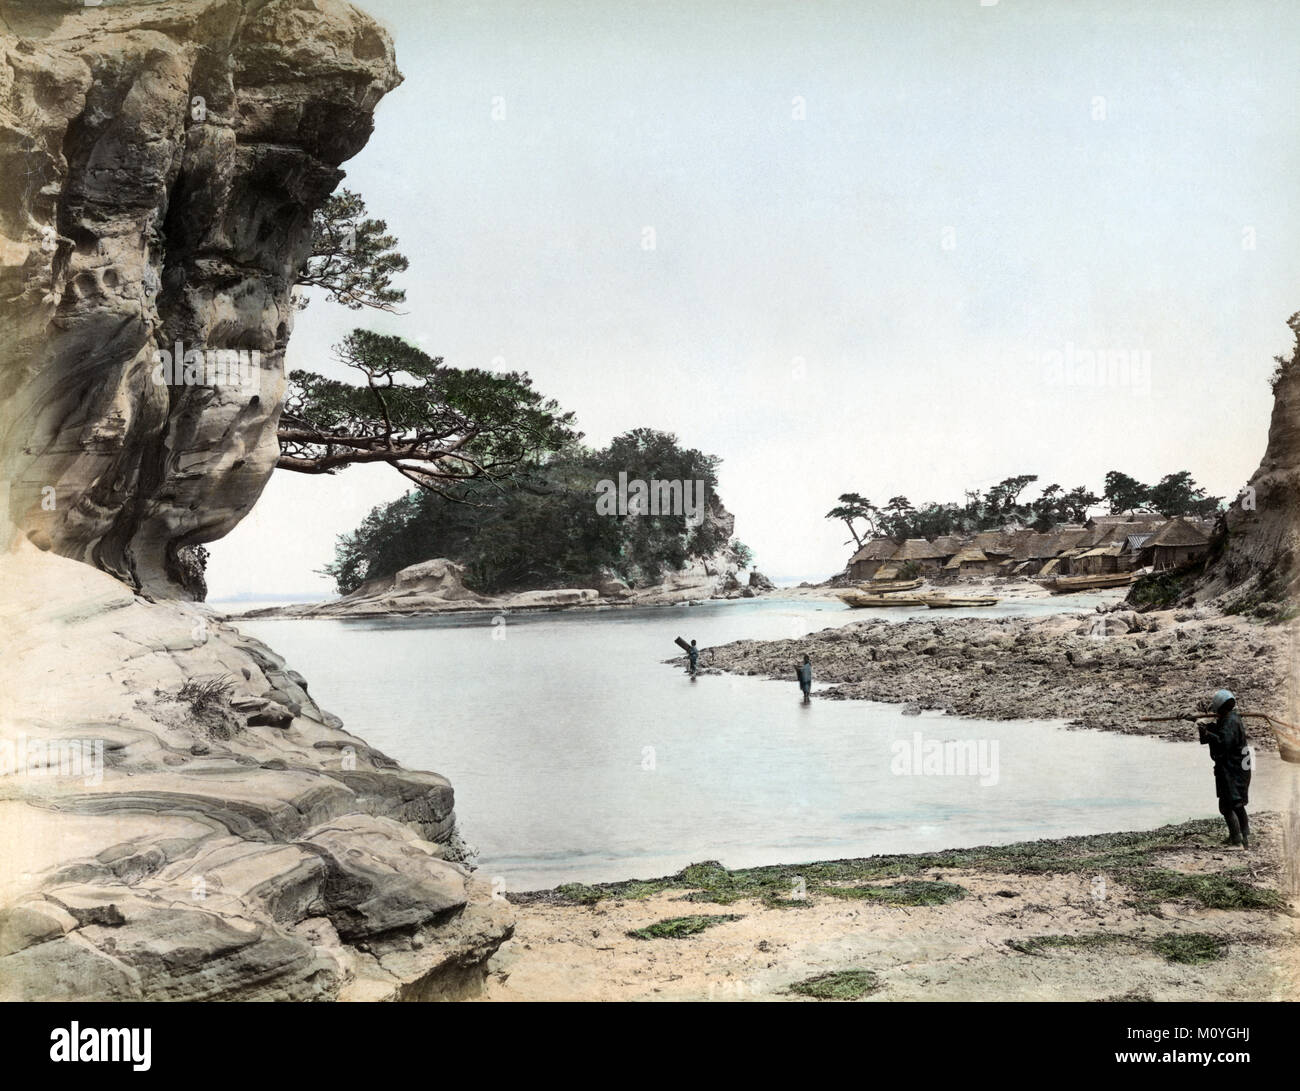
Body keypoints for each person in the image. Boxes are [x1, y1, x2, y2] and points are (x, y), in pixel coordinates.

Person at [1190, 689, 1251, 848]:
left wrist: (1205, 731)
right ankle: (1241, 837)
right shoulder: (1231, 718)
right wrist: (1200, 724)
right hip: (1237, 768)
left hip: (1232, 770)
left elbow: (1223, 743)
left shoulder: (1230, 721)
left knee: (1230, 805)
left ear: (1220, 708)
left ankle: (1239, 841)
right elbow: (1218, 733)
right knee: (1233, 804)